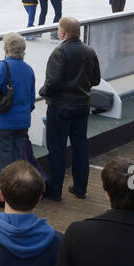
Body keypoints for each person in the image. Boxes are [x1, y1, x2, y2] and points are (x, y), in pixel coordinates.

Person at [39, 17, 100, 201]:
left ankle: (55, 189)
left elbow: (53, 82)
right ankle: (80, 187)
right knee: (80, 145)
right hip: (82, 104)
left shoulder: (59, 52)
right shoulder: (89, 51)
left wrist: (43, 91)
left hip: (60, 106)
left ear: (63, 33)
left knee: (57, 148)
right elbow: (96, 79)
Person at [0, 32, 36, 207]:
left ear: (6, 49)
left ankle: (6, 196)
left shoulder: (1, 67)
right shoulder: (28, 69)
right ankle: (20, 193)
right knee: (18, 159)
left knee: (2, 161)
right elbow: (31, 99)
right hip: (22, 122)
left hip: (2, 123)